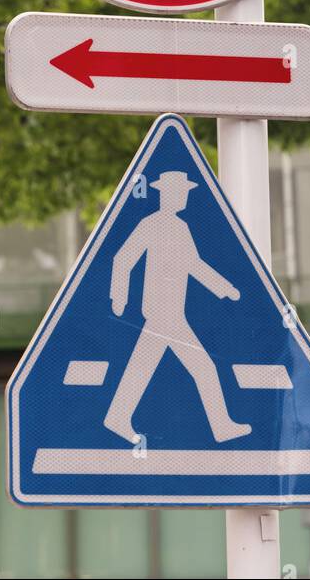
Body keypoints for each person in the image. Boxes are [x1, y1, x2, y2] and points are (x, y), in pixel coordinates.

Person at [103, 169, 251, 445]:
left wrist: (224, 288)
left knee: (144, 366)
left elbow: (194, 264)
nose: (184, 197)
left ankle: (117, 417)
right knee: (203, 367)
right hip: (161, 311)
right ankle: (221, 427)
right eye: (181, 192)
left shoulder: (181, 227)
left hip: (172, 312)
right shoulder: (151, 224)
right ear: (168, 194)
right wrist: (119, 298)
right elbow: (123, 258)